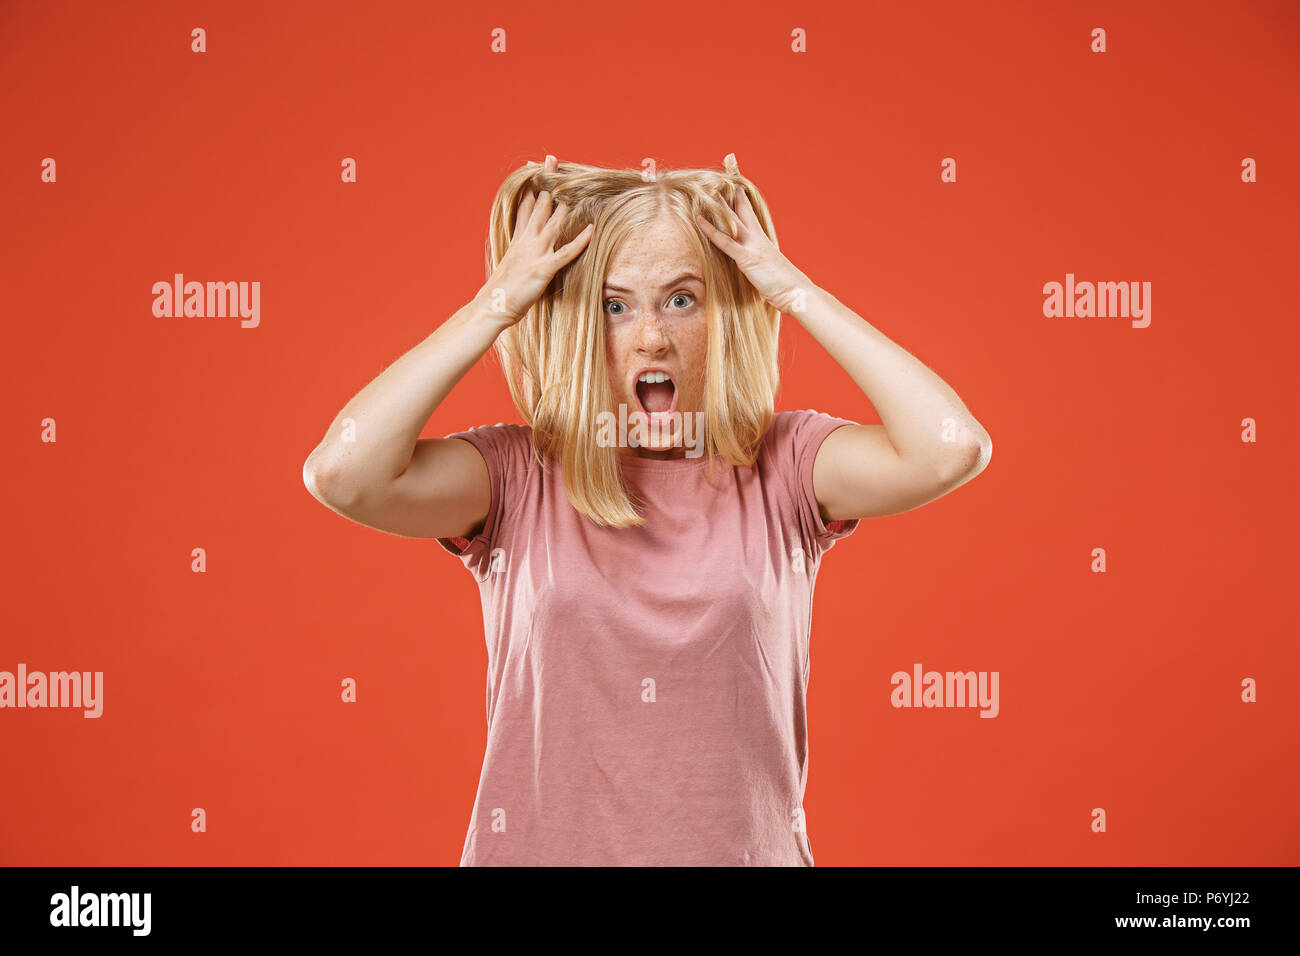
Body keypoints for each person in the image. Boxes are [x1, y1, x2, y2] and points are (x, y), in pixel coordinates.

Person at [302, 153, 992, 865]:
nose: (652, 336)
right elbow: (343, 474)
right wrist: (497, 304)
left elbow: (951, 449)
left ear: (723, 314)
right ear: (575, 324)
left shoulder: (786, 466)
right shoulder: (514, 476)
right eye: (614, 304)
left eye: (682, 299)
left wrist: (794, 291)